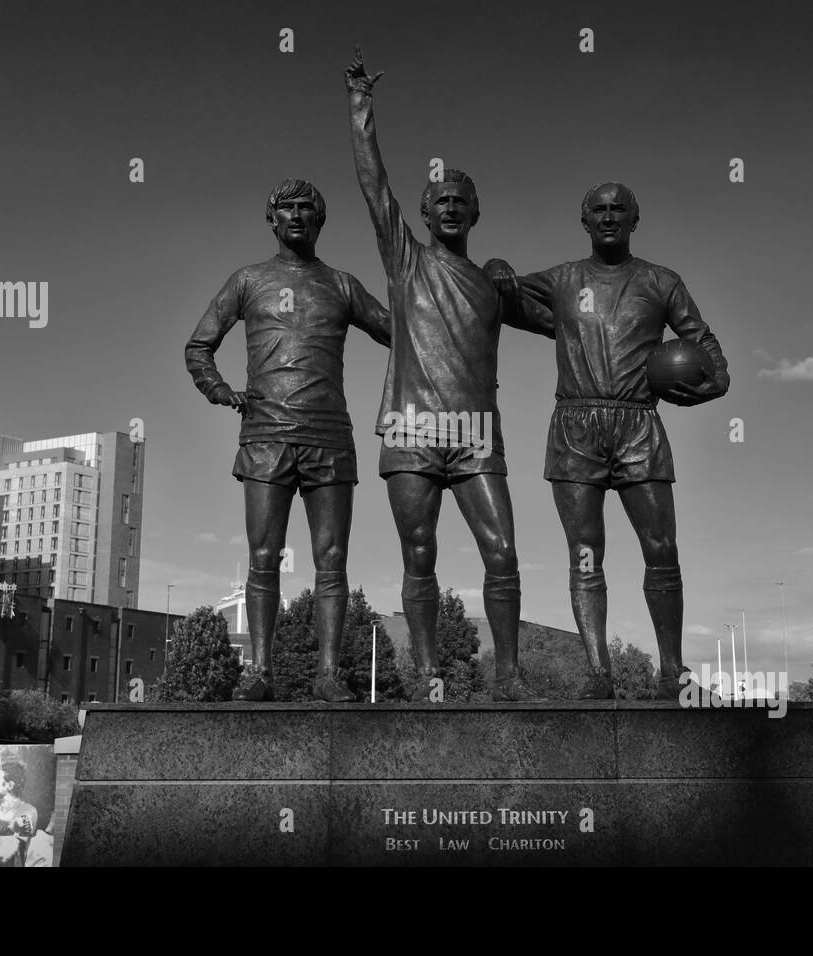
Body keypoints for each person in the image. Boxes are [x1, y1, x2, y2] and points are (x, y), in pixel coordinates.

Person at [343, 48, 553, 700]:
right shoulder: (406, 260)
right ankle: (427, 674)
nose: (452, 208)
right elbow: (375, 188)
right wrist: (360, 108)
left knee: (503, 555)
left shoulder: (493, 283)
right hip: (410, 429)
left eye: (462, 201)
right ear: (427, 216)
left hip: (475, 434)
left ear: (476, 212)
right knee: (420, 557)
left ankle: (509, 675)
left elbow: (561, 321)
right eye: (440, 201)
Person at [485, 183, 729, 698]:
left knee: (662, 548)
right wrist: (497, 266)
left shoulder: (661, 281)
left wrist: (710, 383)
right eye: (599, 209)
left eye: (620, 209)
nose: (609, 216)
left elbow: (704, 345)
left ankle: (672, 673)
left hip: (638, 422)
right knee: (584, 552)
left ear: (636, 219)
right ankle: (599, 673)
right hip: (576, 426)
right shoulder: (563, 279)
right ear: (585, 220)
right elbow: (502, 297)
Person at [185, 178, 392, 701]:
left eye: (308, 209)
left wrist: (429, 292)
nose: (298, 216)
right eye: (288, 208)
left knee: (332, 559)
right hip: (266, 436)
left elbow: (398, 332)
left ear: (321, 221)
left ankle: (327, 673)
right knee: (263, 556)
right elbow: (199, 346)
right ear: (272, 218)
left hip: (328, 437)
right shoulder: (248, 280)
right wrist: (221, 392)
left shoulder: (343, 285)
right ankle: (260, 672)